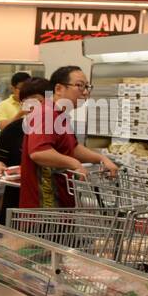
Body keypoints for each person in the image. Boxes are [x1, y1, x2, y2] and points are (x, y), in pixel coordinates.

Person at [18, 65, 118, 209]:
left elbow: (74, 148)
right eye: (79, 86)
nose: (85, 92)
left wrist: (102, 158)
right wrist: (74, 164)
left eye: (87, 87)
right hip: (45, 207)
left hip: (60, 203)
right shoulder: (46, 113)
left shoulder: (60, 115)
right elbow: (39, 152)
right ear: (58, 89)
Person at [0, 76, 49, 214]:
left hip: (47, 199)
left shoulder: (58, 129)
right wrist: (0, 169)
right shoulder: (13, 129)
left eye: (38, 101)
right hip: (16, 197)